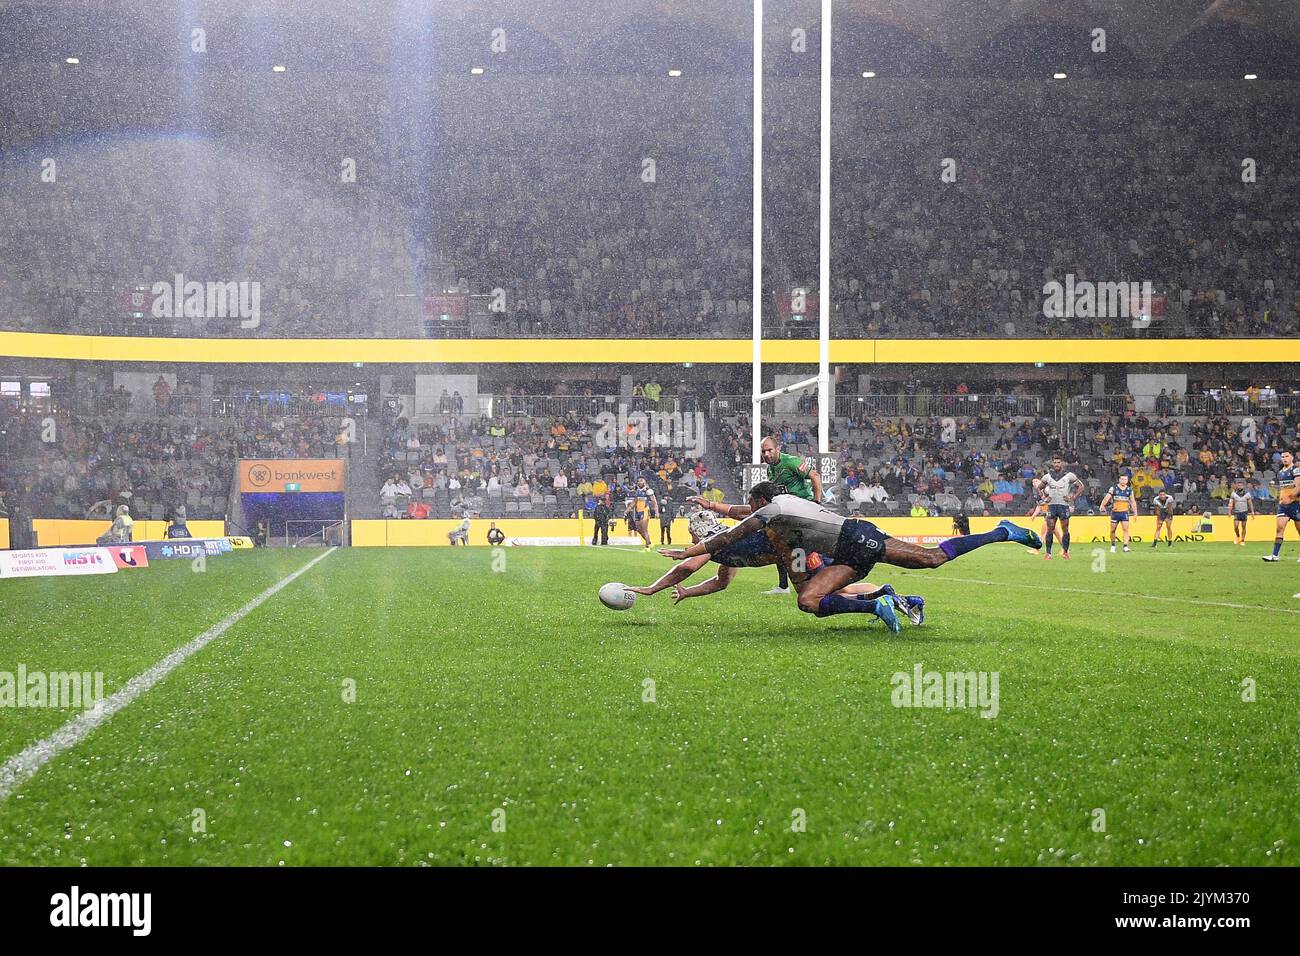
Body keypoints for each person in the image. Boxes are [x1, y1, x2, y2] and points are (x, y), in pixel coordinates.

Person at [664, 482, 1038, 620]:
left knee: (931, 559)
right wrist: (715, 509)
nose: (754, 508)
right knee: (808, 600)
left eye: (754, 504)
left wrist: (690, 551)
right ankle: (879, 604)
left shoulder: (774, 510)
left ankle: (1001, 532)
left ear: (762, 501)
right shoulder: (783, 505)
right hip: (845, 554)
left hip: (858, 538)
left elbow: (732, 535)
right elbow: (742, 514)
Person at [629, 510, 915, 632]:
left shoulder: (716, 543)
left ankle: (879, 603)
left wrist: (653, 588)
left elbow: (687, 566)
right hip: (799, 550)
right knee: (834, 591)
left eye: (693, 534)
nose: (693, 540)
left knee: (810, 598)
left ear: (700, 532)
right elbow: (721, 582)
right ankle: (890, 596)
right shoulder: (727, 545)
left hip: (797, 551)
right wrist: (686, 593)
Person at [1032, 457, 1084, 560]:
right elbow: (1039, 487)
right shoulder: (1047, 477)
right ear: (1052, 464)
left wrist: (1073, 497)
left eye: (1058, 462)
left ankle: (1065, 551)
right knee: (1050, 529)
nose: (1056, 464)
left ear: (1062, 464)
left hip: (1063, 505)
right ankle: (1048, 553)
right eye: (1055, 462)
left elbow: (1081, 486)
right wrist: (1044, 498)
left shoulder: (1069, 476)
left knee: (1065, 529)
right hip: (1052, 506)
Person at [1262, 450, 1299, 562]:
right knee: (1279, 528)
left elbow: (1298, 486)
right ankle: (1274, 555)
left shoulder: (1296, 470)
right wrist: (1281, 499)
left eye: (1287, 456)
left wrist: (1291, 498)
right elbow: (1283, 488)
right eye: (1282, 457)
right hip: (1283, 506)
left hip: (1296, 504)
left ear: (1292, 457)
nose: (1284, 458)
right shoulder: (1280, 472)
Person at [1099, 473, 1137, 553]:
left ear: (1127, 480)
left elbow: (1133, 501)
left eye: (1125, 479)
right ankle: (1113, 545)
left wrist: (1135, 512)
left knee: (1125, 529)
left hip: (1124, 512)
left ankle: (1125, 546)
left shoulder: (1129, 490)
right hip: (1115, 513)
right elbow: (1107, 497)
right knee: (1113, 530)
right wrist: (1102, 505)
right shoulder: (1114, 488)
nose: (1124, 481)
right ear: (1119, 480)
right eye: (1122, 479)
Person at [625, 476, 657, 550]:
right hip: (637, 512)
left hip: (645, 511)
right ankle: (649, 542)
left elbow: (654, 502)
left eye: (641, 480)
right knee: (639, 529)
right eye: (639, 481)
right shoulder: (637, 491)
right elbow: (634, 502)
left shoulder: (648, 491)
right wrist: (627, 510)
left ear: (645, 481)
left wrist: (656, 511)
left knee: (644, 529)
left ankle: (647, 547)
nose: (640, 482)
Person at [1228, 480, 1254, 546]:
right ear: (1237, 486)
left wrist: (1252, 512)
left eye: (1241, 485)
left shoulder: (1247, 494)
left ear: (1243, 486)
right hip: (1237, 512)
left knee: (1243, 526)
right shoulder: (1233, 494)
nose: (1240, 487)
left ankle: (1242, 540)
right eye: (1238, 485)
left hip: (1244, 512)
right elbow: (1230, 503)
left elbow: (1250, 504)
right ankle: (1237, 536)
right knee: (1236, 526)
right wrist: (1229, 511)